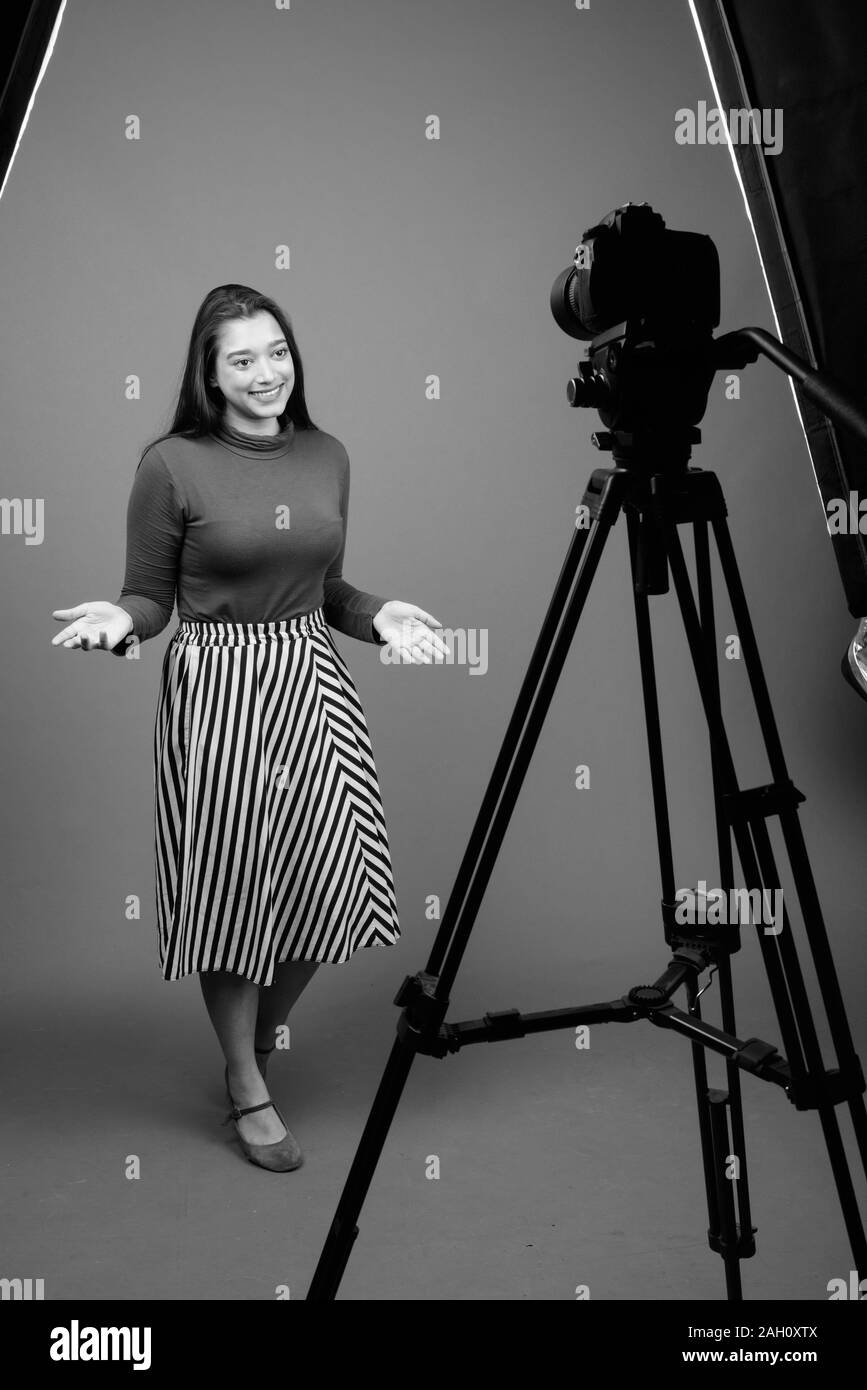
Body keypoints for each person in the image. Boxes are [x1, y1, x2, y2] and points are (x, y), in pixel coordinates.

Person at [51, 284, 450, 1172]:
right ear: (210, 373)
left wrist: (383, 617)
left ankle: (259, 1034)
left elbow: (328, 585)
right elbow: (150, 595)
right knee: (233, 898)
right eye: (242, 359)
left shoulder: (327, 455)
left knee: (326, 881)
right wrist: (121, 623)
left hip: (312, 678)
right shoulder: (170, 465)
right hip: (219, 690)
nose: (266, 373)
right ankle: (244, 1080)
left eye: (277, 352)